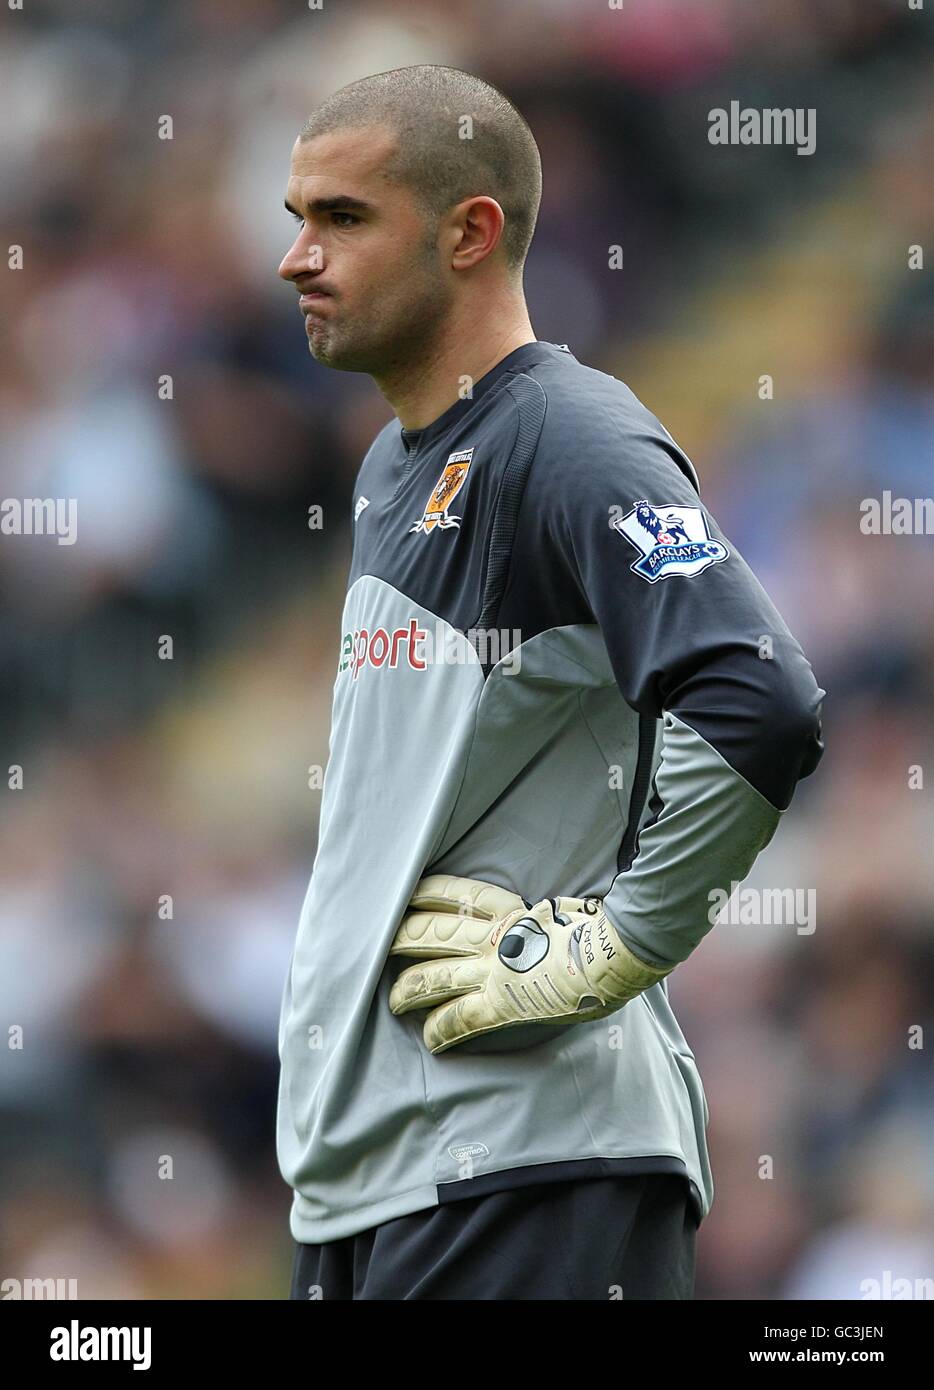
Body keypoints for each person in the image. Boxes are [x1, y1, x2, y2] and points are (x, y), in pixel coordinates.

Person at [276, 64, 825, 1301]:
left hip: (525, 1160)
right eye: (296, 218)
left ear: (470, 232)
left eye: (341, 218)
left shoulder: (564, 433)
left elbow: (758, 694)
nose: (295, 258)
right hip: (385, 1170)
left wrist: (614, 942)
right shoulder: (392, 469)